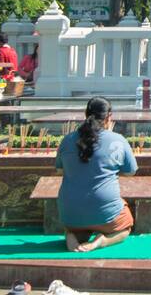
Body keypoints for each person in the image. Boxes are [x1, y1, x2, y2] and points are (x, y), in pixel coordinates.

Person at [54, 97, 138, 252]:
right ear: (109, 117)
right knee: (125, 228)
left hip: (71, 212)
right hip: (106, 212)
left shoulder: (67, 140)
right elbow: (131, 171)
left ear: (85, 114)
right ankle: (102, 240)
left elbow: (60, 170)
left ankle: (71, 236)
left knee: (77, 226)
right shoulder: (117, 140)